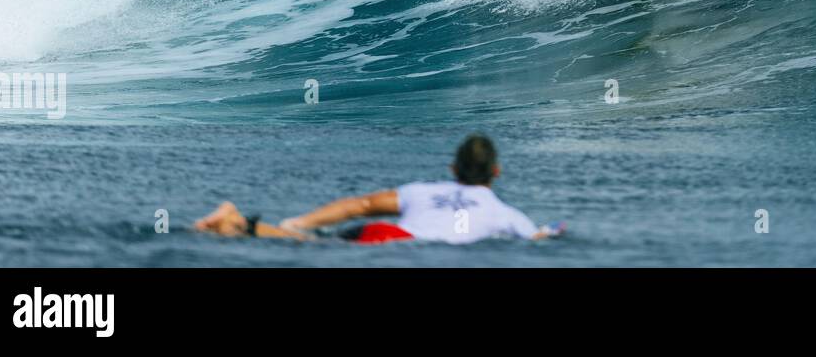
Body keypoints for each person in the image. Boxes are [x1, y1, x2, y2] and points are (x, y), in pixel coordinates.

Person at [194, 134, 561, 244]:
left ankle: (240, 224)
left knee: (318, 241)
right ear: (497, 172)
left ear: (452, 170)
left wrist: (300, 220)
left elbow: (362, 204)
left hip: (384, 231)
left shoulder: (422, 191)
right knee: (320, 249)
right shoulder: (506, 214)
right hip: (399, 244)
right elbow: (537, 239)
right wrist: (551, 233)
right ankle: (238, 224)